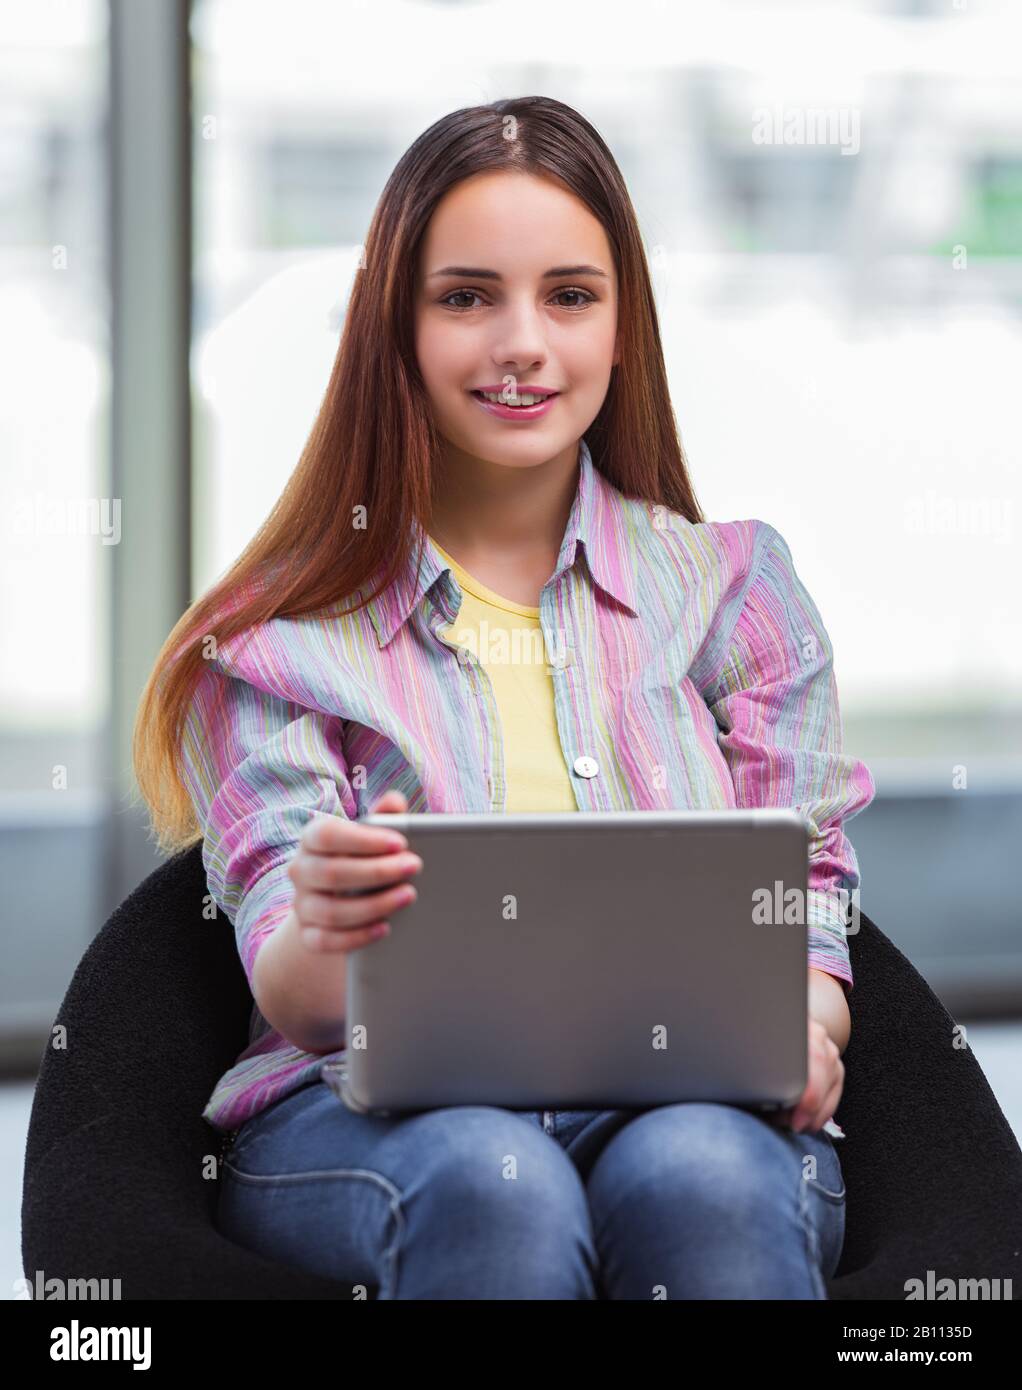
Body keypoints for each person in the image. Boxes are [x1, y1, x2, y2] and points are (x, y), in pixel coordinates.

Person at [133, 95, 875, 1299]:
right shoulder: (273, 645)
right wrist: (322, 928)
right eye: (466, 296)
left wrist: (803, 1026)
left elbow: (810, 902)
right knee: (490, 1177)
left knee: (705, 1173)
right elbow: (298, 996)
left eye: (569, 296)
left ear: (622, 325)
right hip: (372, 1126)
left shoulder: (739, 595)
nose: (520, 342)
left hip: (689, 1107)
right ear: (396, 329)